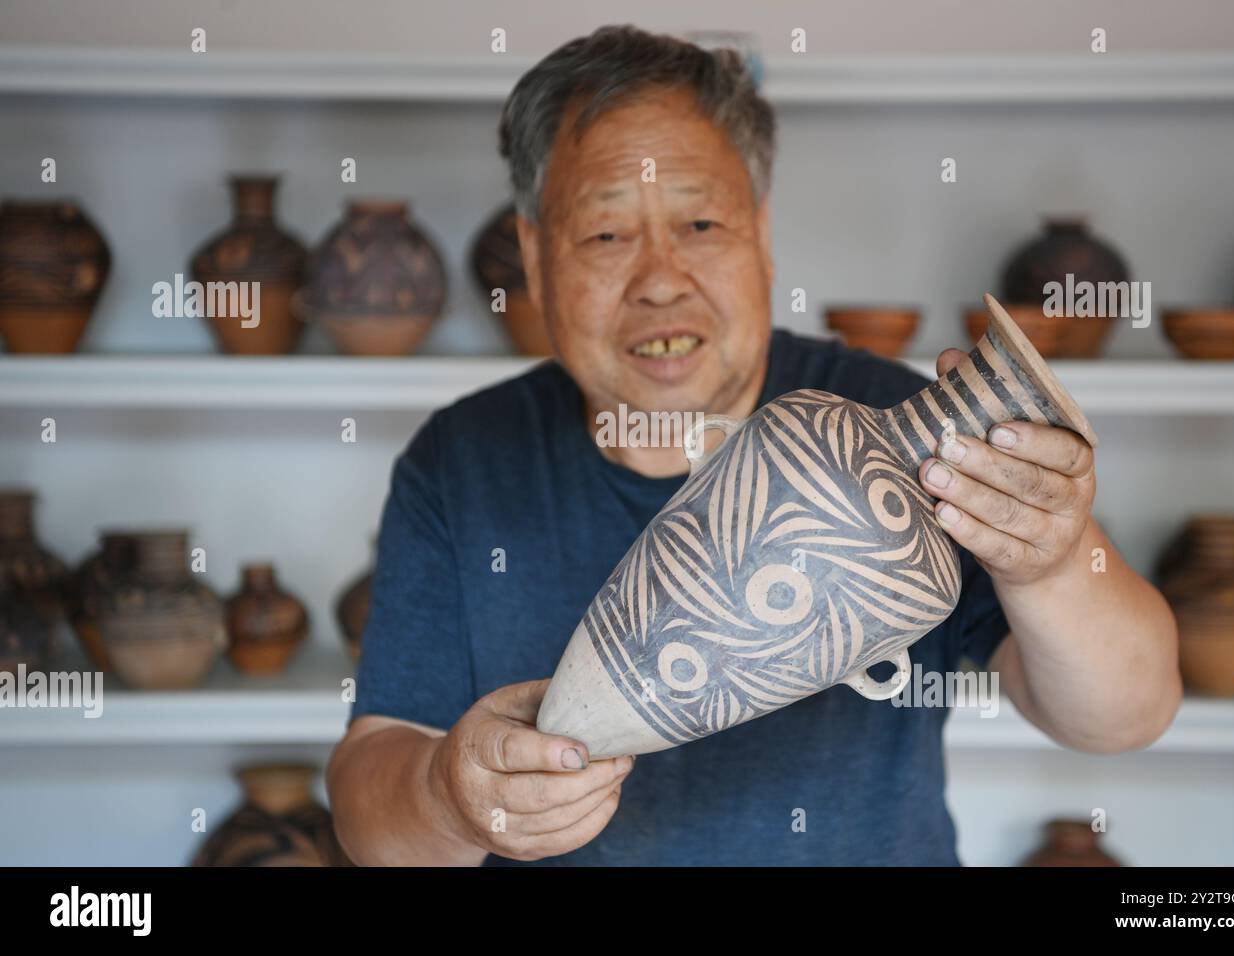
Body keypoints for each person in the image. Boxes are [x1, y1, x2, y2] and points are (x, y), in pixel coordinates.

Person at [326, 25, 1180, 866]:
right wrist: (450, 797)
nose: (661, 280)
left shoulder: (907, 428)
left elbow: (1122, 717)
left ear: (762, 237)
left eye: (701, 225)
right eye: (605, 235)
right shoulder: (466, 457)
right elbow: (376, 807)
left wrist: (1051, 564)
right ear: (536, 257)